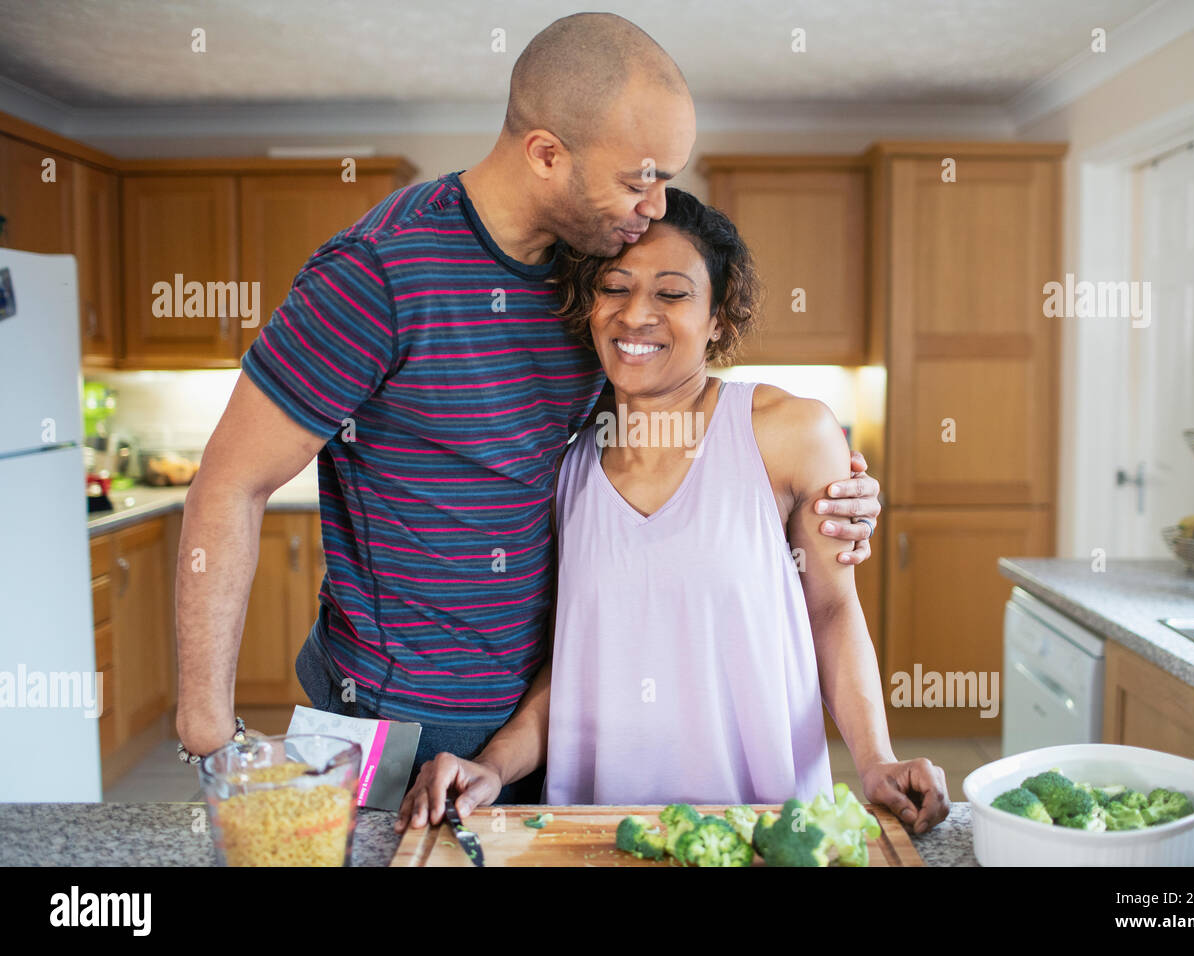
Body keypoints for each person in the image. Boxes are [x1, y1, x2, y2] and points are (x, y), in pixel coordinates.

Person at [174, 13, 881, 801]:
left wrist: (831, 492)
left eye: (664, 179)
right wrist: (209, 732)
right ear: (546, 153)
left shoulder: (589, 273)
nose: (655, 205)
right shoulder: (378, 274)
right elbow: (229, 482)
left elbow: (674, 422)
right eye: (638, 179)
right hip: (396, 714)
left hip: (549, 715)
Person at [397, 188, 951, 836]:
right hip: (596, 831)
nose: (637, 314)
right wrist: (490, 765)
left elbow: (831, 611)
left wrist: (876, 759)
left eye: (671, 293)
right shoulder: (566, 465)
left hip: (763, 827)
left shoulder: (788, 433)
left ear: (719, 316)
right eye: (615, 287)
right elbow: (574, 665)